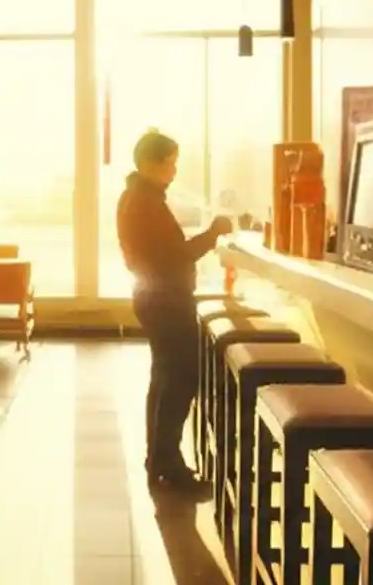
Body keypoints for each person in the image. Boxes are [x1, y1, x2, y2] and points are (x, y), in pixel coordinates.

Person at [117, 129, 233, 494]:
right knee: (181, 380)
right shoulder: (145, 202)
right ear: (150, 163)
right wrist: (214, 233)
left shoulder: (137, 197)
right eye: (170, 162)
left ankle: (160, 458)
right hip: (166, 300)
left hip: (154, 298)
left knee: (164, 380)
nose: (174, 169)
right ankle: (169, 463)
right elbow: (175, 254)